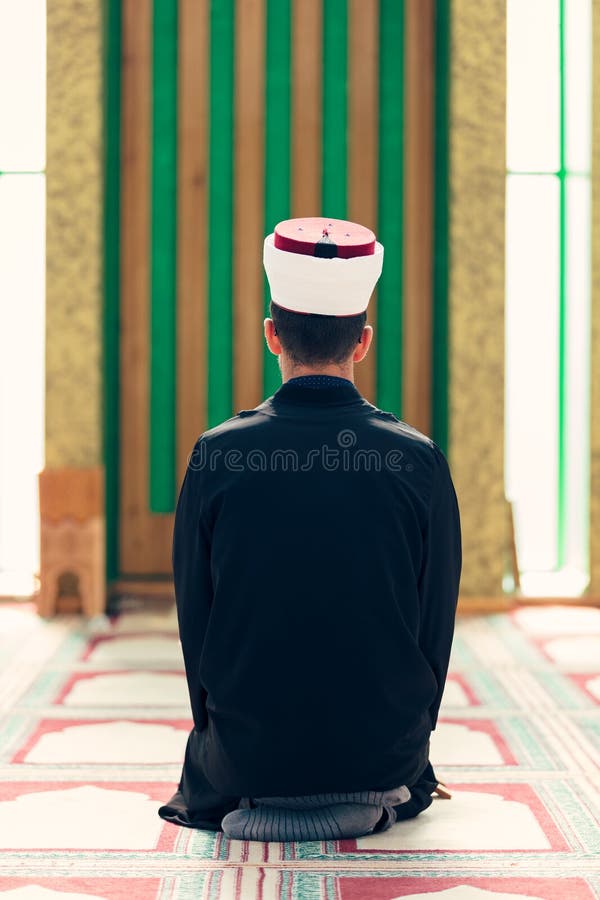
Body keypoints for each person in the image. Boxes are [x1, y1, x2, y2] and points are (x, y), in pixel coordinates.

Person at [158, 217, 462, 842]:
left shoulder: (217, 454)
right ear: (363, 342)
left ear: (272, 336)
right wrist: (410, 737)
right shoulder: (418, 459)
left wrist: (219, 735)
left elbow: (196, 621)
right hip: (385, 755)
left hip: (247, 760)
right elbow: (436, 623)